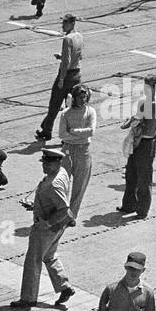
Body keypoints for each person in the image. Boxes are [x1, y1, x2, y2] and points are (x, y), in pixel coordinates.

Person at [11, 147, 74, 311]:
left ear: (56, 163)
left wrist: (47, 222)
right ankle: (64, 285)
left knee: (33, 260)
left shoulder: (53, 184)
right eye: (43, 162)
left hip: (46, 226)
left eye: (47, 164)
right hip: (59, 225)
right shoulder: (62, 173)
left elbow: (63, 208)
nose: (43, 166)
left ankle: (28, 298)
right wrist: (35, 206)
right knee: (49, 255)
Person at [119, 75, 156, 220]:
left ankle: (142, 210)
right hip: (137, 141)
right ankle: (129, 205)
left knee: (144, 178)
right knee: (131, 173)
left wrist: (153, 140)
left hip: (146, 143)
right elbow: (138, 119)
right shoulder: (142, 103)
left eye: (149, 87)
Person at [37, 15, 83, 142]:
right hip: (77, 75)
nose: (62, 25)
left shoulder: (67, 39)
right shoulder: (79, 36)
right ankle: (68, 134)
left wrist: (61, 79)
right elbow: (79, 56)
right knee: (71, 106)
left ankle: (47, 131)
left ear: (72, 24)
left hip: (66, 76)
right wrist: (62, 57)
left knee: (54, 104)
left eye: (65, 23)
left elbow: (66, 62)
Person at [58, 84, 95, 221]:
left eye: (85, 97)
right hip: (67, 150)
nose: (83, 100)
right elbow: (62, 134)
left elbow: (91, 131)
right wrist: (80, 134)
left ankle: (72, 215)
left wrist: (73, 131)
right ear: (73, 98)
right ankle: (61, 212)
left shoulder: (90, 112)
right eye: (80, 98)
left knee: (79, 187)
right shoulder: (65, 113)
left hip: (83, 151)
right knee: (62, 183)